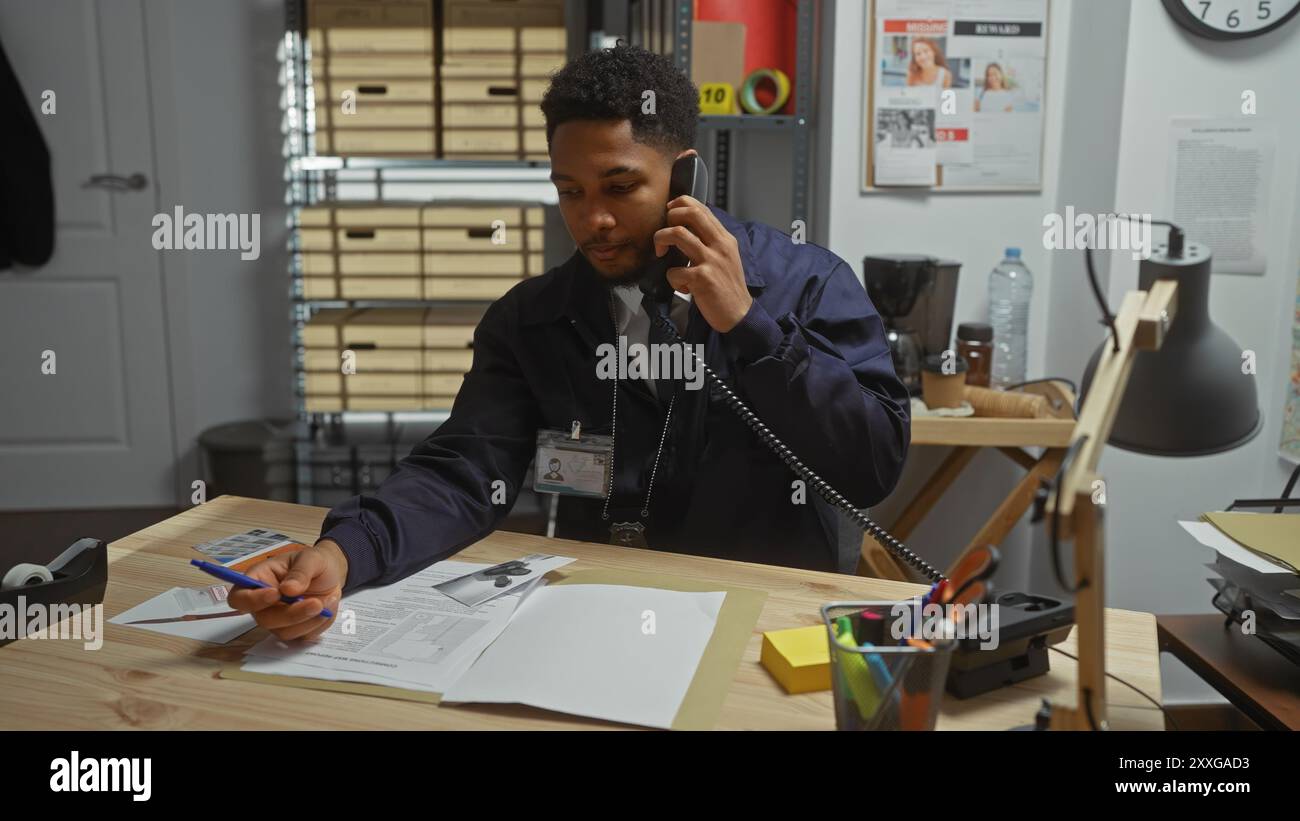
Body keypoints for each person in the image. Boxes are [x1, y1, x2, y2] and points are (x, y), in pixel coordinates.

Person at [229, 43, 910, 641]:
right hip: (599, 617)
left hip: (766, 618)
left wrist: (749, 326)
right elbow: (465, 469)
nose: (595, 219)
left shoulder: (807, 282)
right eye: (570, 190)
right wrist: (348, 549)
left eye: (621, 186)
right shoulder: (532, 320)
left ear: (685, 177)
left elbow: (871, 466)